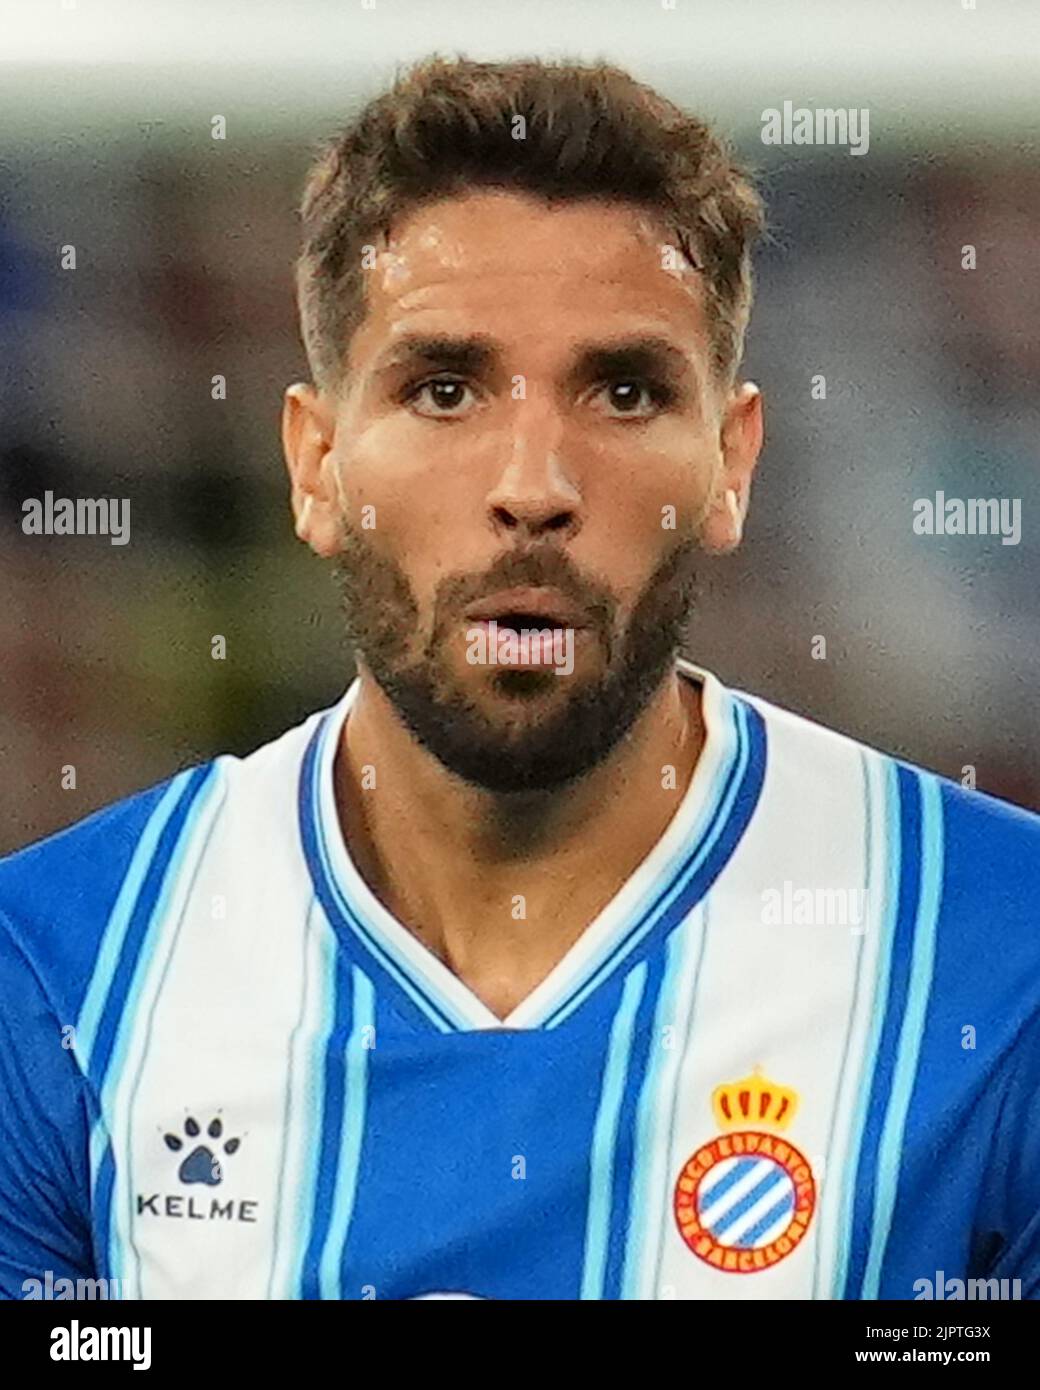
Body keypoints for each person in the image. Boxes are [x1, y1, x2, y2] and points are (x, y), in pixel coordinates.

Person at [1, 56, 1037, 1302]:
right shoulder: (58, 970)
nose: (532, 487)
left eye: (623, 391)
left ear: (729, 464)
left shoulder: (999, 954)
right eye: (442, 390)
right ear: (316, 465)